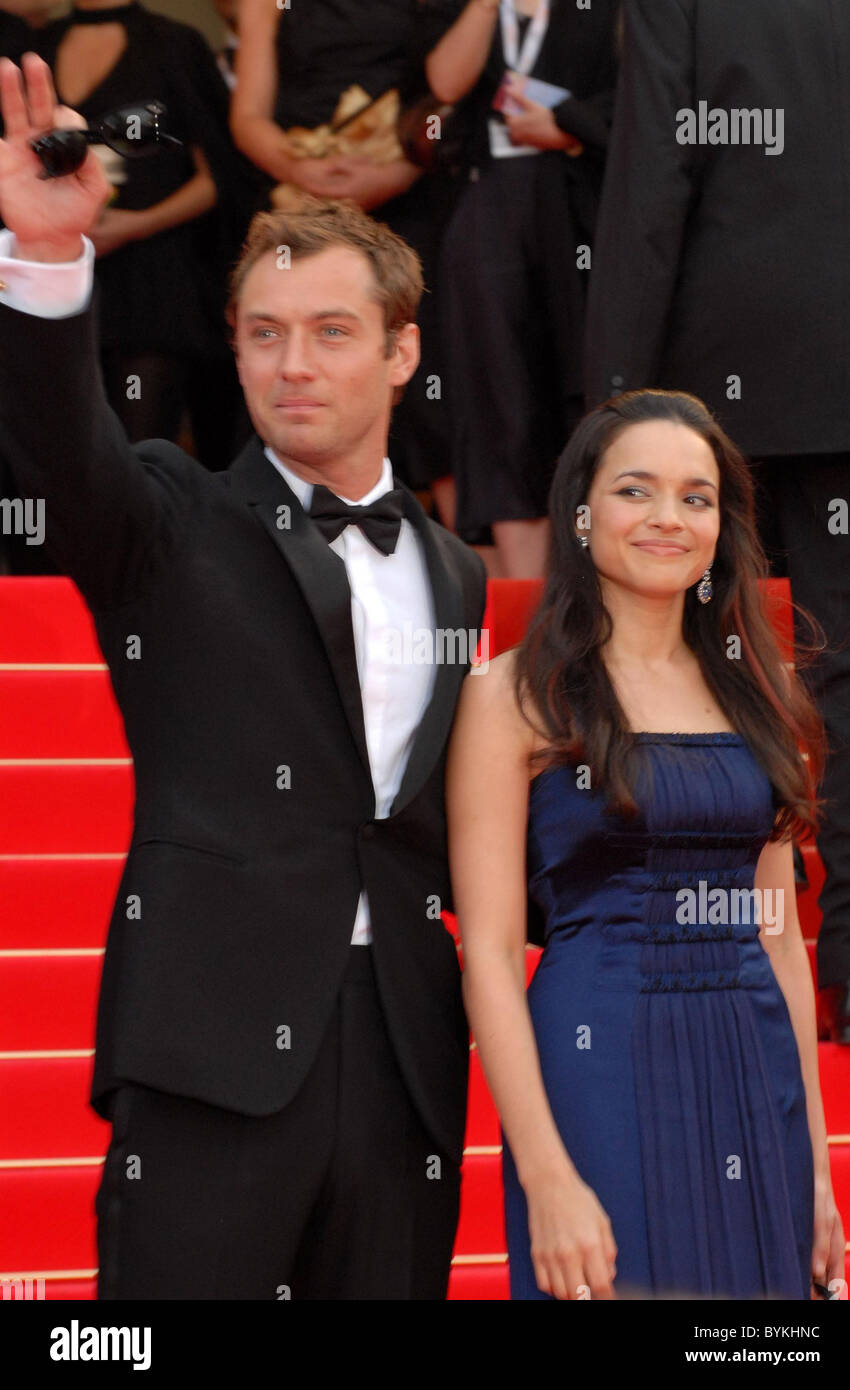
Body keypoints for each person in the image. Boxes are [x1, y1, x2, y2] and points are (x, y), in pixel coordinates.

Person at [0, 51, 487, 1299]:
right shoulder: (165, 519)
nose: (294, 363)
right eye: (264, 335)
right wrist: (52, 261)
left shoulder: (459, 576)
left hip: (406, 1060)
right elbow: (64, 455)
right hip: (212, 1047)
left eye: (332, 332)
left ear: (401, 352)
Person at [446, 389, 845, 1299]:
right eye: (637, 491)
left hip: (752, 1070)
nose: (669, 518)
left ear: (722, 526)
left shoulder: (758, 686)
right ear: (581, 515)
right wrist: (545, 1175)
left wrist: (815, 1168)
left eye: (696, 498)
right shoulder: (513, 697)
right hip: (601, 1067)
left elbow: (780, 933)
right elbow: (495, 957)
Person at [584, 0, 850, 1042]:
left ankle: (724, 922)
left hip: (731, 365)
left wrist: (614, 400)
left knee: (711, 642)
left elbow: (651, 184)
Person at [230, 0, 458, 526]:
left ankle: (458, 562)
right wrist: (306, 169)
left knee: (435, 388)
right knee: (291, 365)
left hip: (414, 196)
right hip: (301, 201)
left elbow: (451, 97)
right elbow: (247, 117)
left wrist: (399, 171)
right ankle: (280, 544)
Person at [423, 0, 620, 577]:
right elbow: (443, 83)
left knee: (590, 392)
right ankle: (526, 603)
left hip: (581, 212)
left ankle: (598, 585)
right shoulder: (461, 9)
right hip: (489, 209)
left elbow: (643, 97)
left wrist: (570, 127)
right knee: (499, 401)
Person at [34, 0, 254, 471]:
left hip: (155, 291)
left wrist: (137, 224)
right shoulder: (34, 50)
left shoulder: (175, 44)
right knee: (59, 457)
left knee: (143, 456)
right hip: (62, 287)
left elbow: (219, 177)